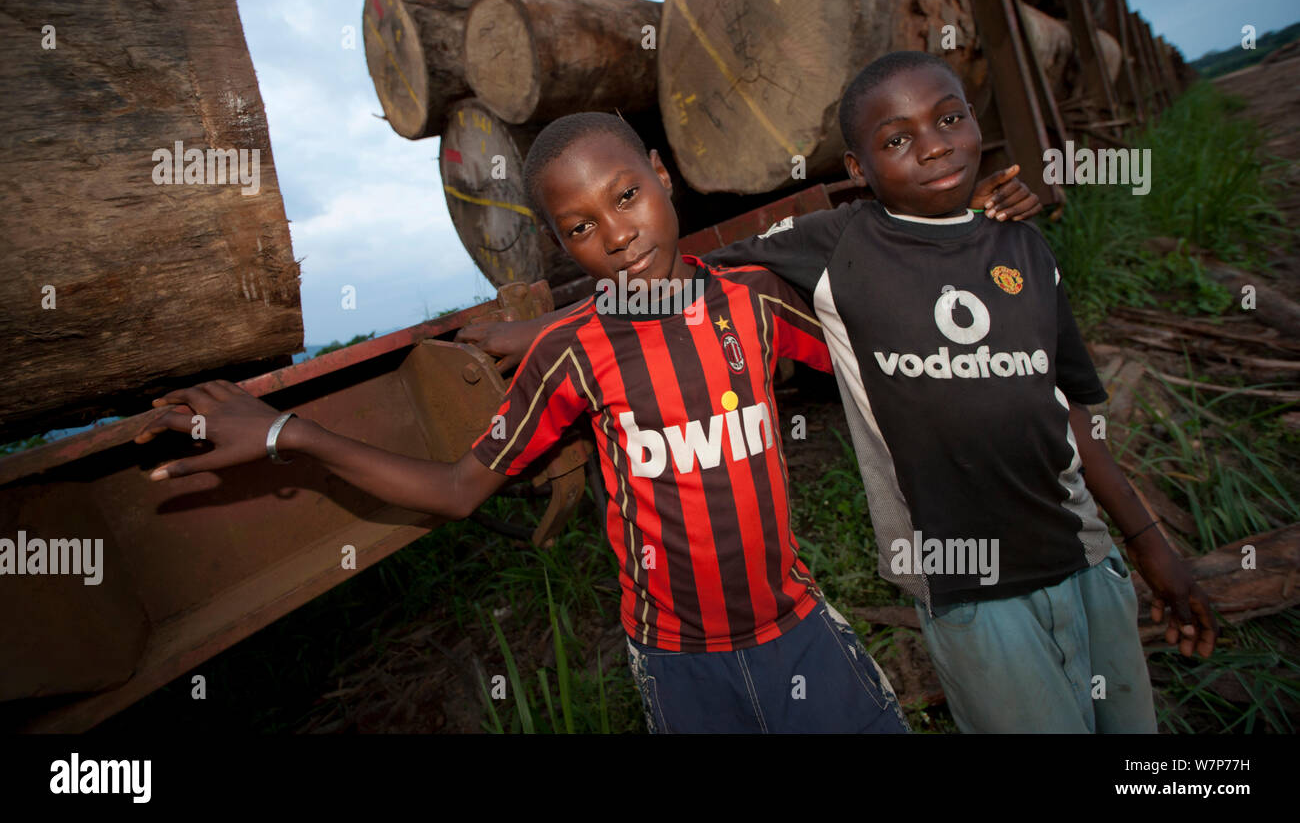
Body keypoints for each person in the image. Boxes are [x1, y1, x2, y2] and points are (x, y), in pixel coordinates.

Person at [138, 111, 1047, 732]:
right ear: (559, 246)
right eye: (577, 228)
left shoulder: (758, 308)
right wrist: (283, 434)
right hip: (679, 664)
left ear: (660, 174)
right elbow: (459, 489)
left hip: (800, 629)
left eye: (624, 196)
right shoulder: (568, 355)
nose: (614, 235)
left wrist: (984, 224)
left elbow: (896, 351)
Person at [464, 54, 1220, 733]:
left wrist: (1148, 542)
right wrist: (555, 326)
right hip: (968, 582)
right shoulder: (836, 246)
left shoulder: (1018, 242)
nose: (930, 147)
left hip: (1085, 551)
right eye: (895, 140)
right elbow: (680, 278)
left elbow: (1068, 411)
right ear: (858, 166)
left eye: (949, 120)